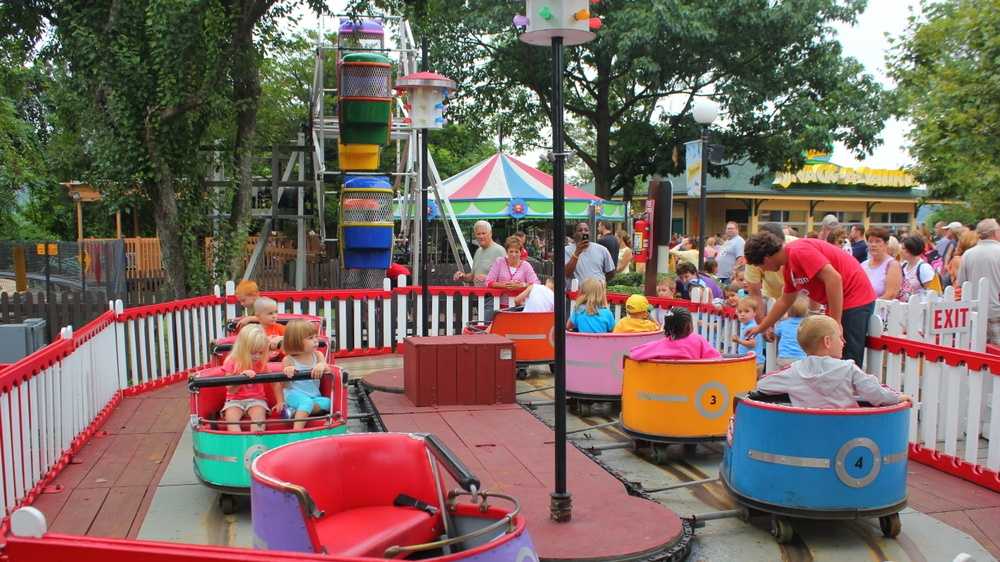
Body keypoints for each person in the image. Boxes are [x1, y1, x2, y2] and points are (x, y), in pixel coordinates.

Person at [743, 232, 876, 368]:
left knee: (846, 357)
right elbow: (785, 300)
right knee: (831, 355)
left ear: (766, 259)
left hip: (856, 299)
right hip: (841, 302)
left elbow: (834, 278)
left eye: (759, 265)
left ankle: (849, 387)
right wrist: (761, 327)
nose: (762, 270)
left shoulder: (799, 251)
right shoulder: (789, 266)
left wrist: (836, 322)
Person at [754, 316, 909, 409]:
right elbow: (875, 393)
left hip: (809, 431)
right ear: (827, 341)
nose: (844, 342)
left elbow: (762, 384)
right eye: (840, 337)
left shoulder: (793, 372)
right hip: (846, 434)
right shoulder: (848, 369)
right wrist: (897, 398)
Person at [275, 320, 333, 430]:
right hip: (293, 395)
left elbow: (327, 368)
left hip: (314, 395)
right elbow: (283, 384)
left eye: (316, 337)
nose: (316, 341)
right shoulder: (289, 359)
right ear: (296, 341)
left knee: (328, 403)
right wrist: (288, 370)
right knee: (306, 402)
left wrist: (321, 365)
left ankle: (295, 412)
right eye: (310, 338)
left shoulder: (318, 355)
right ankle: (296, 431)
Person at [956, 218, 1000, 345]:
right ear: (995, 233)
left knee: (976, 350)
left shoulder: (968, 254)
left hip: (974, 311)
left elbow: (962, 284)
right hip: (996, 311)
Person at [220, 325, 271, 432]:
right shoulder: (231, 361)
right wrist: (242, 378)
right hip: (234, 400)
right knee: (231, 419)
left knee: (258, 419)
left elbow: (274, 381)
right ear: (242, 348)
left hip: (256, 400)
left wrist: (280, 401)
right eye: (253, 352)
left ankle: (256, 443)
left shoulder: (261, 363)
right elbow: (230, 389)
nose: (257, 356)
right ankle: (238, 444)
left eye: (260, 352)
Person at [628, 307, 722, 361]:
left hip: (666, 391)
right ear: (689, 325)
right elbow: (717, 359)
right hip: (695, 389)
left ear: (667, 325)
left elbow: (633, 354)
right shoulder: (698, 340)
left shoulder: (661, 345)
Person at [454, 220, 506, 286]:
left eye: (483, 233)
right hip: (479, 295)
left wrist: (488, 279)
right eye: (478, 234)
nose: (481, 236)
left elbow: (506, 278)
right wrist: (463, 276)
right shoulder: (478, 251)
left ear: (490, 233)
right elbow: (473, 276)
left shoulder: (500, 251)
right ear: (475, 235)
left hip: (493, 295)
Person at [565, 222, 615, 287]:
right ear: (574, 234)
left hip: (597, 293)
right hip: (577, 294)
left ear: (589, 233)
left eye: (586, 230)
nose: (584, 232)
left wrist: (600, 282)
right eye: (580, 230)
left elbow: (611, 272)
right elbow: (566, 273)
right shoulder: (567, 250)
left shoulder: (602, 249)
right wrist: (577, 252)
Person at [861, 227, 902, 300]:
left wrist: (870, 305)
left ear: (886, 244)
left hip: (882, 308)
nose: (873, 244)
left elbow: (891, 295)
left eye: (878, 241)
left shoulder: (892, 265)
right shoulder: (863, 265)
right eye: (870, 241)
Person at [898, 234, 940, 302]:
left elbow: (934, 292)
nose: (900, 251)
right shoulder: (903, 266)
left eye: (903, 248)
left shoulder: (924, 268)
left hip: (921, 308)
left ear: (911, 249)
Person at [774, 296, 808, 368]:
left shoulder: (783, 323)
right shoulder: (807, 324)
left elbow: (776, 332)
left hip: (784, 357)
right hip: (802, 358)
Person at [732, 297, 765, 374]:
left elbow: (752, 344)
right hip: (751, 361)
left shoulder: (751, 327)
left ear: (754, 313)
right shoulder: (746, 325)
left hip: (753, 363)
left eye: (747, 311)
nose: (742, 314)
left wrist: (738, 341)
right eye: (740, 312)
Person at [947, 230, 980, 296]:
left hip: (970, 296)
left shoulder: (960, 259)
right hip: (961, 297)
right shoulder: (958, 260)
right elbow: (961, 281)